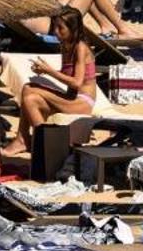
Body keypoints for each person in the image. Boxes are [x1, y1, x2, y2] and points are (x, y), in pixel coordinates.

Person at [14, 12, 97, 149]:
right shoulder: (65, 46)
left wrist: (49, 71)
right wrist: (44, 71)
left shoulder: (80, 47)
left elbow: (77, 82)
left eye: (60, 28)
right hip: (70, 98)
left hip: (82, 102)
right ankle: (42, 142)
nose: (56, 32)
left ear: (73, 29)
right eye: (55, 27)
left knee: (29, 88)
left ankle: (29, 141)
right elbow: (68, 75)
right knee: (30, 99)